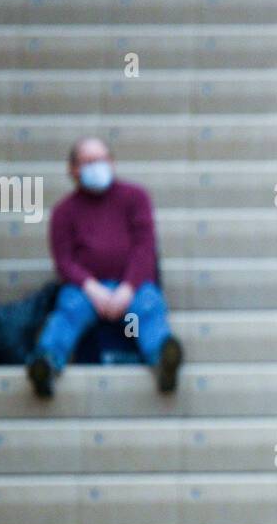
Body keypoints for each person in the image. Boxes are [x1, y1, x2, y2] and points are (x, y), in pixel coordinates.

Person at [26, 137, 182, 397]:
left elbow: (145, 248)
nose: (97, 166)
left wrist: (128, 288)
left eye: (101, 160)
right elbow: (64, 261)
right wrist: (92, 288)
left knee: (147, 311)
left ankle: (163, 360)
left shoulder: (135, 197)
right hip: (86, 291)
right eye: (88, 162)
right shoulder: (64, 212)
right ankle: (46, 363)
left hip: (132, 288)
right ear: (73, 170)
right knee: (68, 314)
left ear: (112, 162)